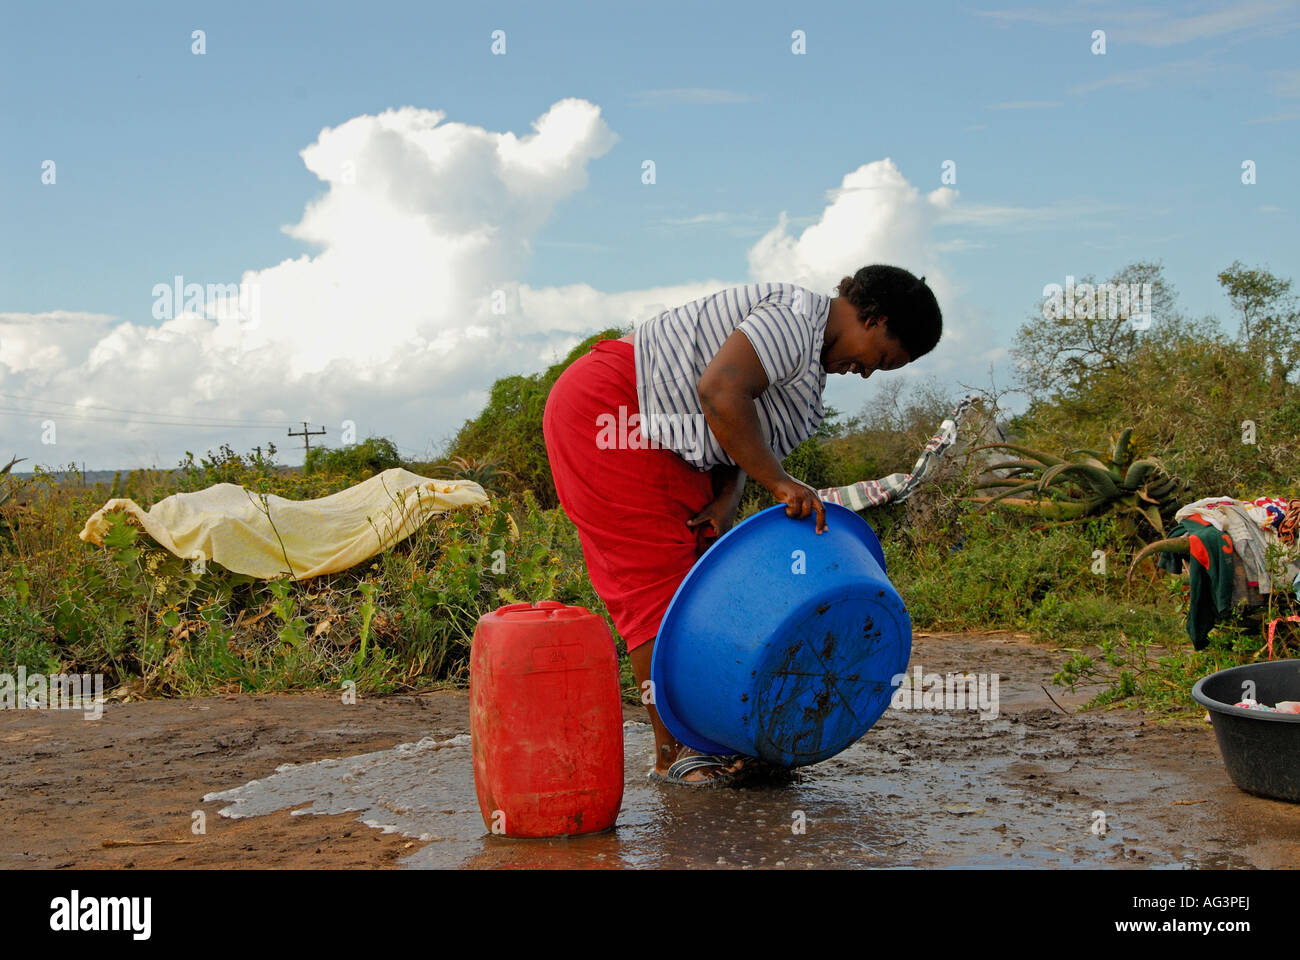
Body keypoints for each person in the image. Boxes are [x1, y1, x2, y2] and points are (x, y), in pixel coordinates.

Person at [542, 265, 942, 784]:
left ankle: (715, 733)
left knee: (695, 578)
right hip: (614, 409)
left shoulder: (806, 368)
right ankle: (673, 752)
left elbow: (742, 422)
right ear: (874, 319)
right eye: (880, 359)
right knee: (653, 580)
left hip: (670, 434)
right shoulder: (794, 319)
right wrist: (779, 484)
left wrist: (731, 495)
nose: (865, 373)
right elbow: (721, 390)